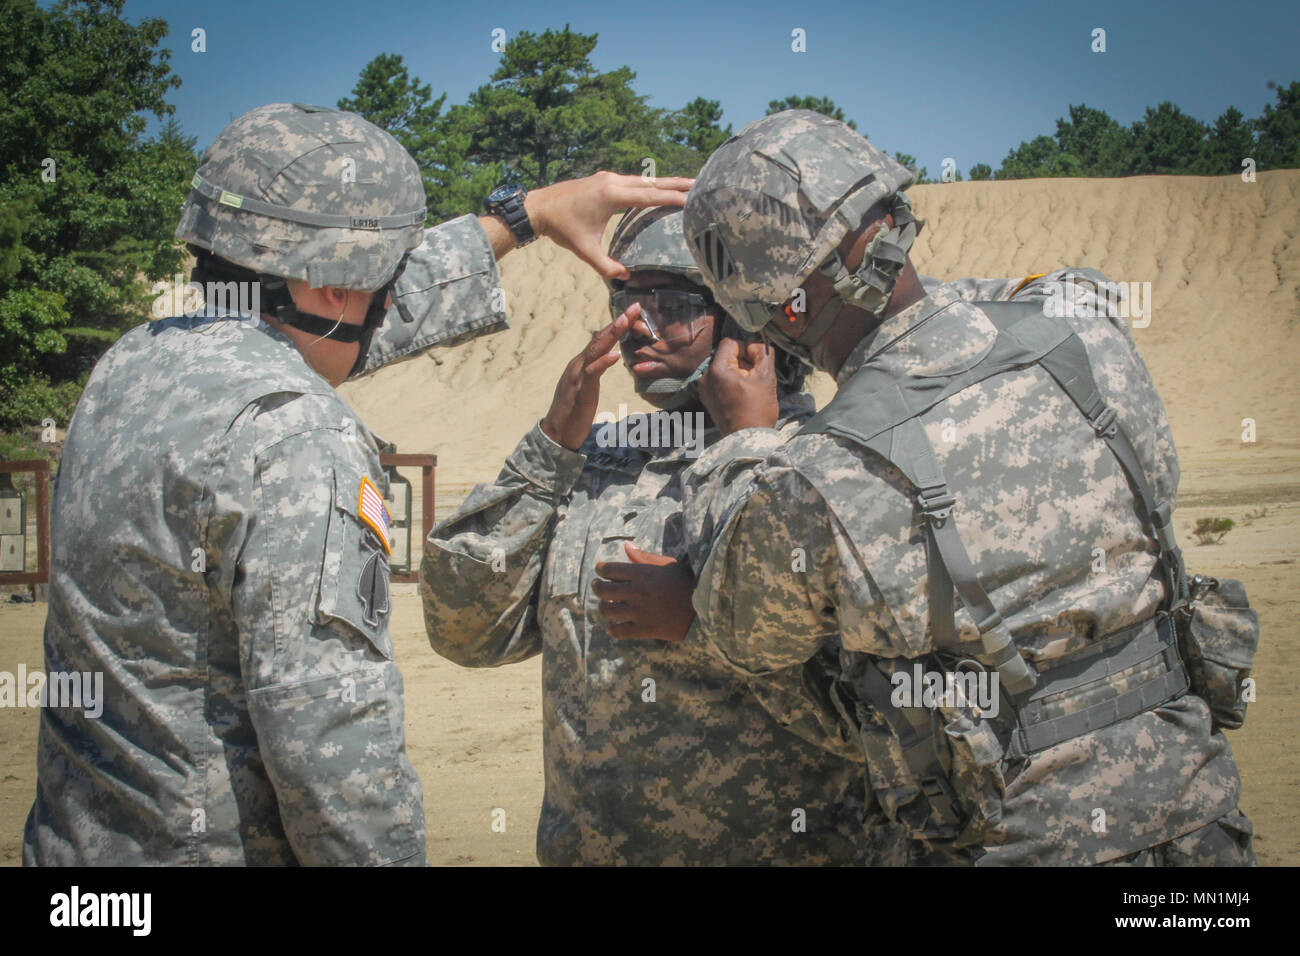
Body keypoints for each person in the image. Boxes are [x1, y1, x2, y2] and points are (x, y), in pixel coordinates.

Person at [23, 102, 689, 866]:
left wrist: (526, 214)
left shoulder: (133, 364)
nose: (386, 307)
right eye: (381, 280)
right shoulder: (296, 434)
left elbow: (318, 322)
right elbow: (329, 743)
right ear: (337, 289)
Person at [659, 110, 1254, 865]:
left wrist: (744, 439)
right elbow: (1060, 289)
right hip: (1196, 820)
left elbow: (747, 629)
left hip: (1014, 838)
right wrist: (923, 306)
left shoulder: (815, 476)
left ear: (763, 306)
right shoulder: (1089, 333)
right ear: (893, 211)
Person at [421, 206, 917, 865]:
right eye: (627, 300)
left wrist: (704, 618)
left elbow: (884, 721)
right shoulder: (590, 463)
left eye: (673, 304)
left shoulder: (833, 465)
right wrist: (548, 449)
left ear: (749, 320)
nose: (636, 327)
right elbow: (467, 634)